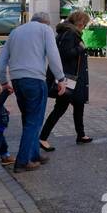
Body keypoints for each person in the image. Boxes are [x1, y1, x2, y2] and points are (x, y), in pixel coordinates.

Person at [0, 11, 68, 173]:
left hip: (17, 80)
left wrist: (3, 81)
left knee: (28, 118)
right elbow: (53, 55)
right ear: (46, 23)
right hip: (35, 79)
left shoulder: (15, 32)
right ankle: (23, 161)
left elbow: (0, 61)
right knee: (34, 121)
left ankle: (34, 154)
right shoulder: (45, 30)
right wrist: (61, 78)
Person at [40, 12, 92, 149]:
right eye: (84, 25)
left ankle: (81, 134)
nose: (84, 27)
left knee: (79, 104)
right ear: (80, 23)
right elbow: (65, 54)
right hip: (68, 78)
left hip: (70, 77)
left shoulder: (65, 33)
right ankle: (42, 137)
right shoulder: (70, 34)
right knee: (60, 108)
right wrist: (80, 48)